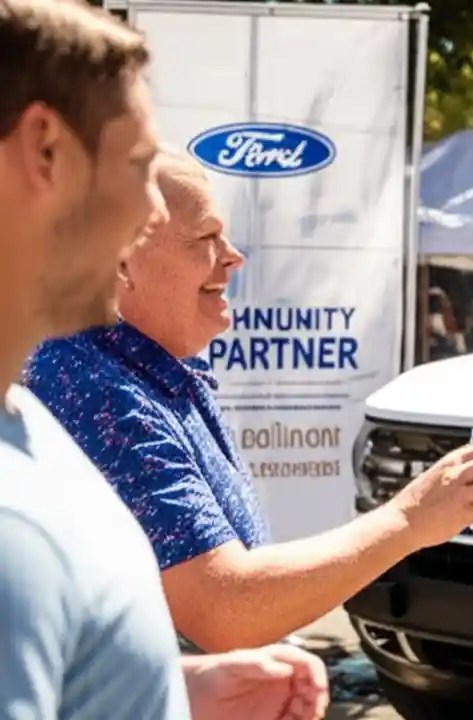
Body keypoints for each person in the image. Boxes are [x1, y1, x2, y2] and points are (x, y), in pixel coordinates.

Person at [22, 145, 473, 654]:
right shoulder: (98, 391)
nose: (233, 255)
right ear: (122, 261)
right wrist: (412, 517)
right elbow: (225, 608)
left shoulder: (130, 366)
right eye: (206, 237)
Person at [0, 0, 327, 717]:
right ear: (45, 151)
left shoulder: (31, 424)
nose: (150, 216)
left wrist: (174, 690)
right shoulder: (14, 511)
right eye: (139, 166)